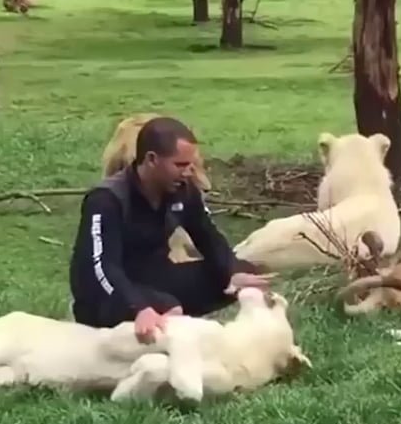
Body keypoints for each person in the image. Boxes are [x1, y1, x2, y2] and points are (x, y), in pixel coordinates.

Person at [68, 116, 272, 343]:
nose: (188, 172)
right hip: (105, 293)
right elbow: (103, 268)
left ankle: (166, 318)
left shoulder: (183, 190)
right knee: (167, 305)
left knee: (240, 275)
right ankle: (161, 331)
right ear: (152, 159)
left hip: (152, 276)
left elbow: (208, 236)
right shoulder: (107, 199)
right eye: (180, 165)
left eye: (191, 165)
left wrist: (232, 271)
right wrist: (138, 306)